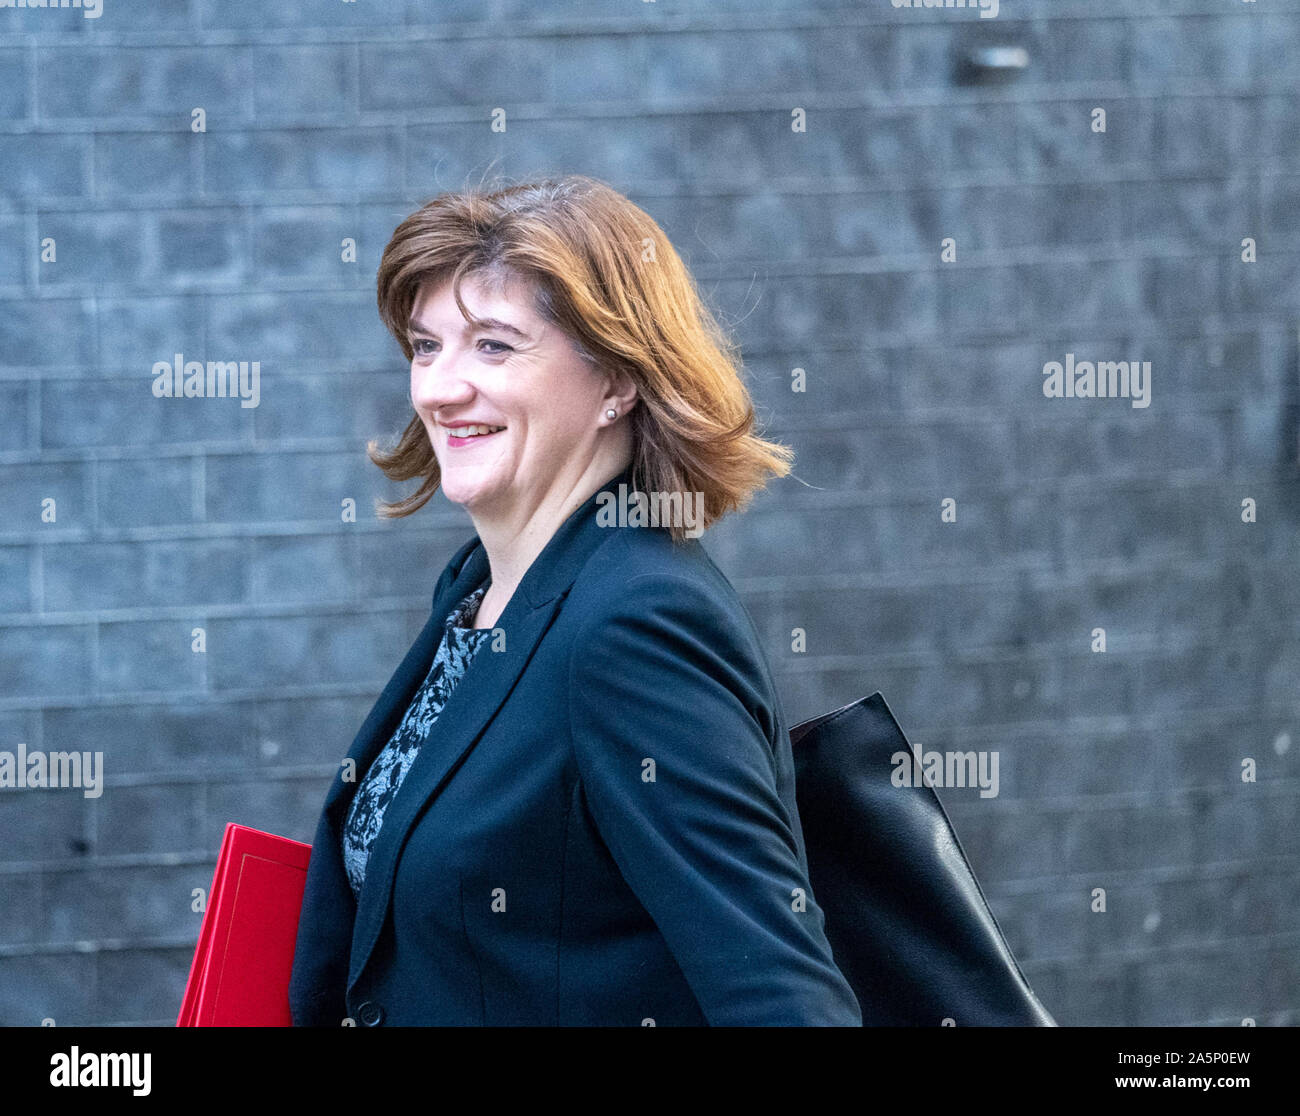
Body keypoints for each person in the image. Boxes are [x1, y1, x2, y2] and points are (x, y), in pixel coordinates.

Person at [288, 174, 862, 1026]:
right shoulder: (478, 590)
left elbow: (779, 997)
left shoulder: (639, 625)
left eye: (493, 346)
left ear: (616, 383)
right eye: (425, 346)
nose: (440, 388)